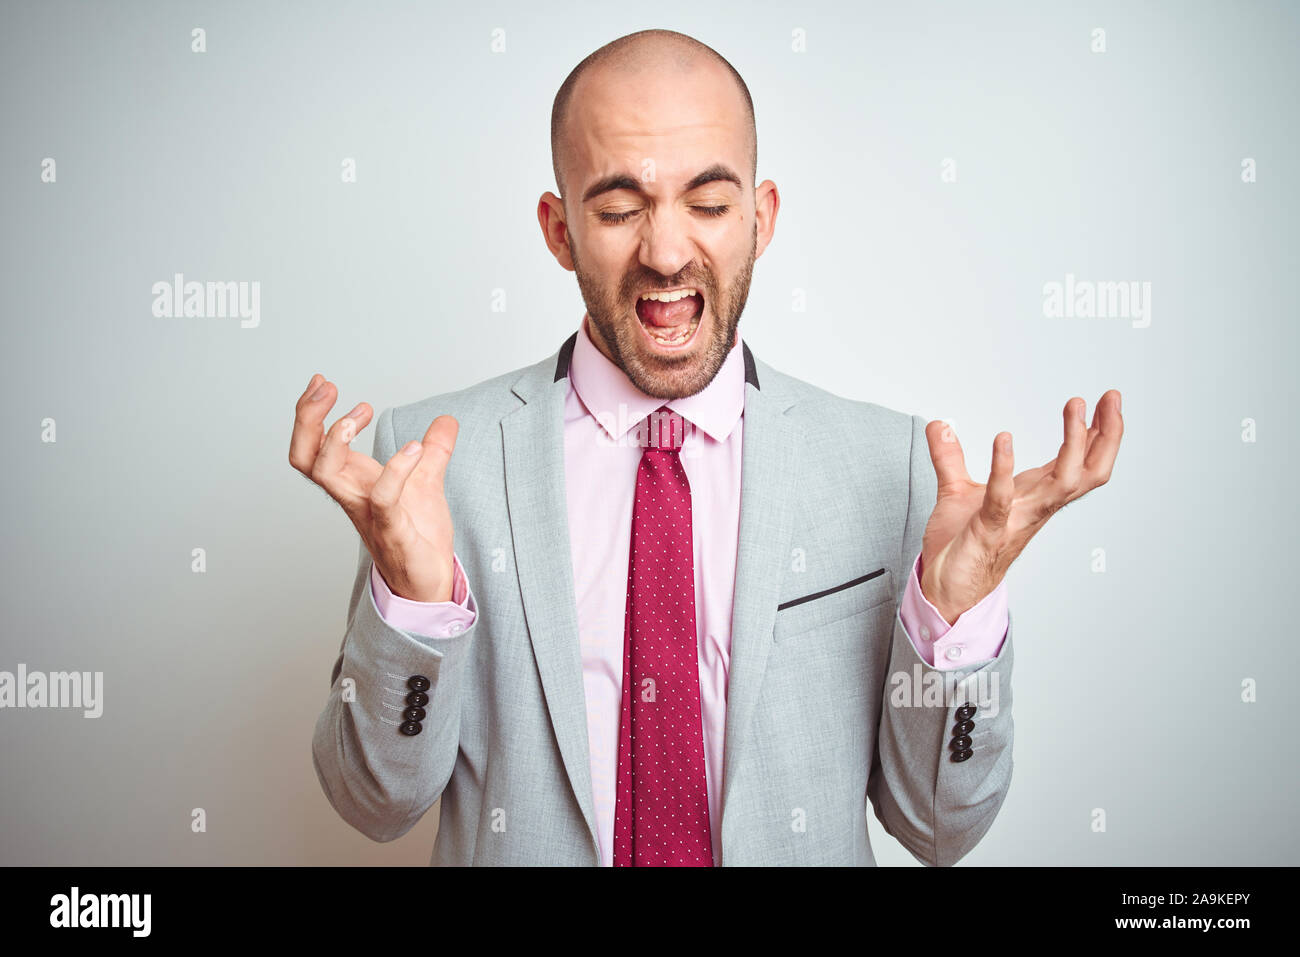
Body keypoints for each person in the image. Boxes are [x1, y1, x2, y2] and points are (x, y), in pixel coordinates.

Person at [290, 29, 1123, 866]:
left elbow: (940, 827)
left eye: (710, 205)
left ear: (760, 219)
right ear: (559, 230)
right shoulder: (433, 464)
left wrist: (957, 625)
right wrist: (415, 606)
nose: (665, 250)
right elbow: (374, 804)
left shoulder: (888, 469)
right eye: (618, 209)